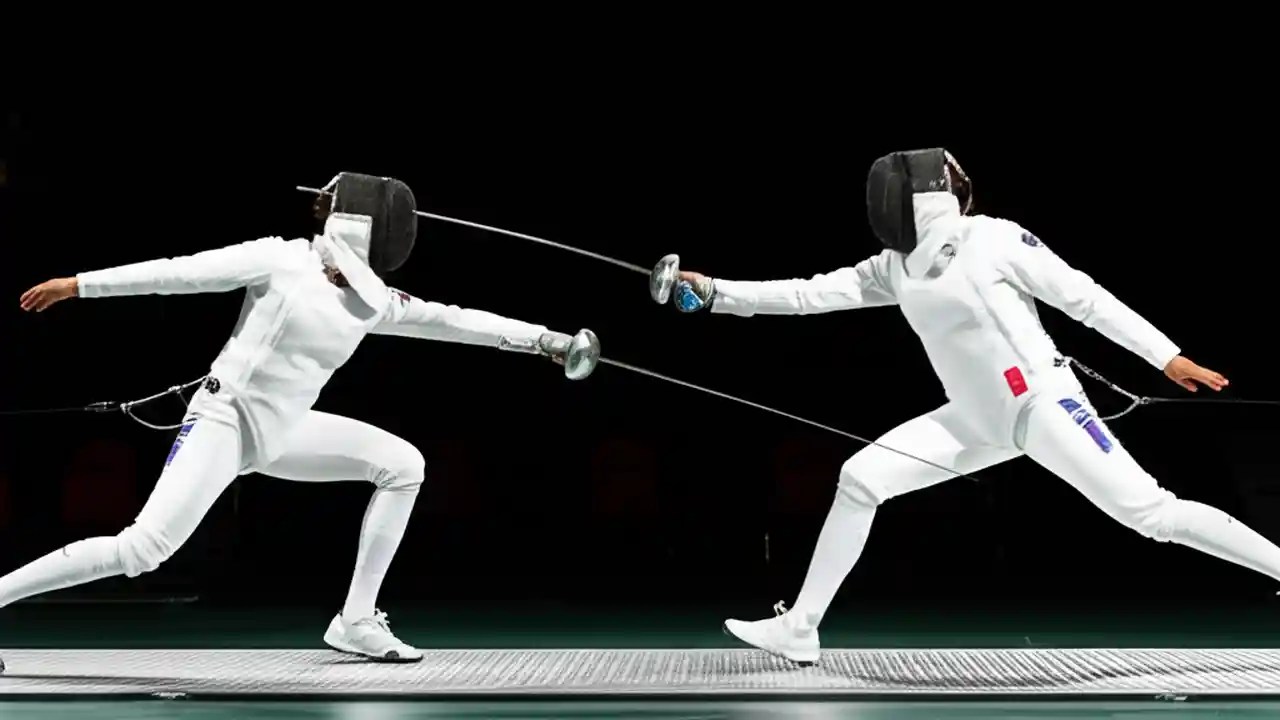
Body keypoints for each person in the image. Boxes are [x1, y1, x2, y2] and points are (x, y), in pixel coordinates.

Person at [666, 148, 1280, 665]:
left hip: (1043, 404)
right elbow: (807, 295)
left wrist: (1164, 356)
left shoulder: (992, 237)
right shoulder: (894, 268)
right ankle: (801, 628)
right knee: (861, 479)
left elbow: (1083, 297)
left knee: (1153, 515)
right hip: (974, 420)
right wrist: (717, 293)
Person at [5, 172, 598, 664]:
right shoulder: (280, 259)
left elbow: (458, 321)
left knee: (403, 465)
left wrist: (545, 341)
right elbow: (177, 273)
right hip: (225, 421)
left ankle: (355, 620)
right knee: (142, 550)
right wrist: (79, 286)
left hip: (285, 428)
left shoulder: (373, 304)